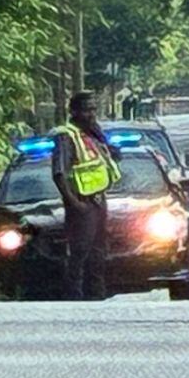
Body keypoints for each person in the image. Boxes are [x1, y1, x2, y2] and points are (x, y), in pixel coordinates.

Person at [51, 92, 120, 301]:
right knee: (80, 252)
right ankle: (75, 299)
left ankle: (96, 298)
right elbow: (59, 173)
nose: (91, 114)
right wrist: (74, 203)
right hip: (81, 204)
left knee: (98, 253)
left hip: (98, 201)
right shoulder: (66, 136)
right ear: (74, 112)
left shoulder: (91, 135)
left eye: (93, 110)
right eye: (86, 110)